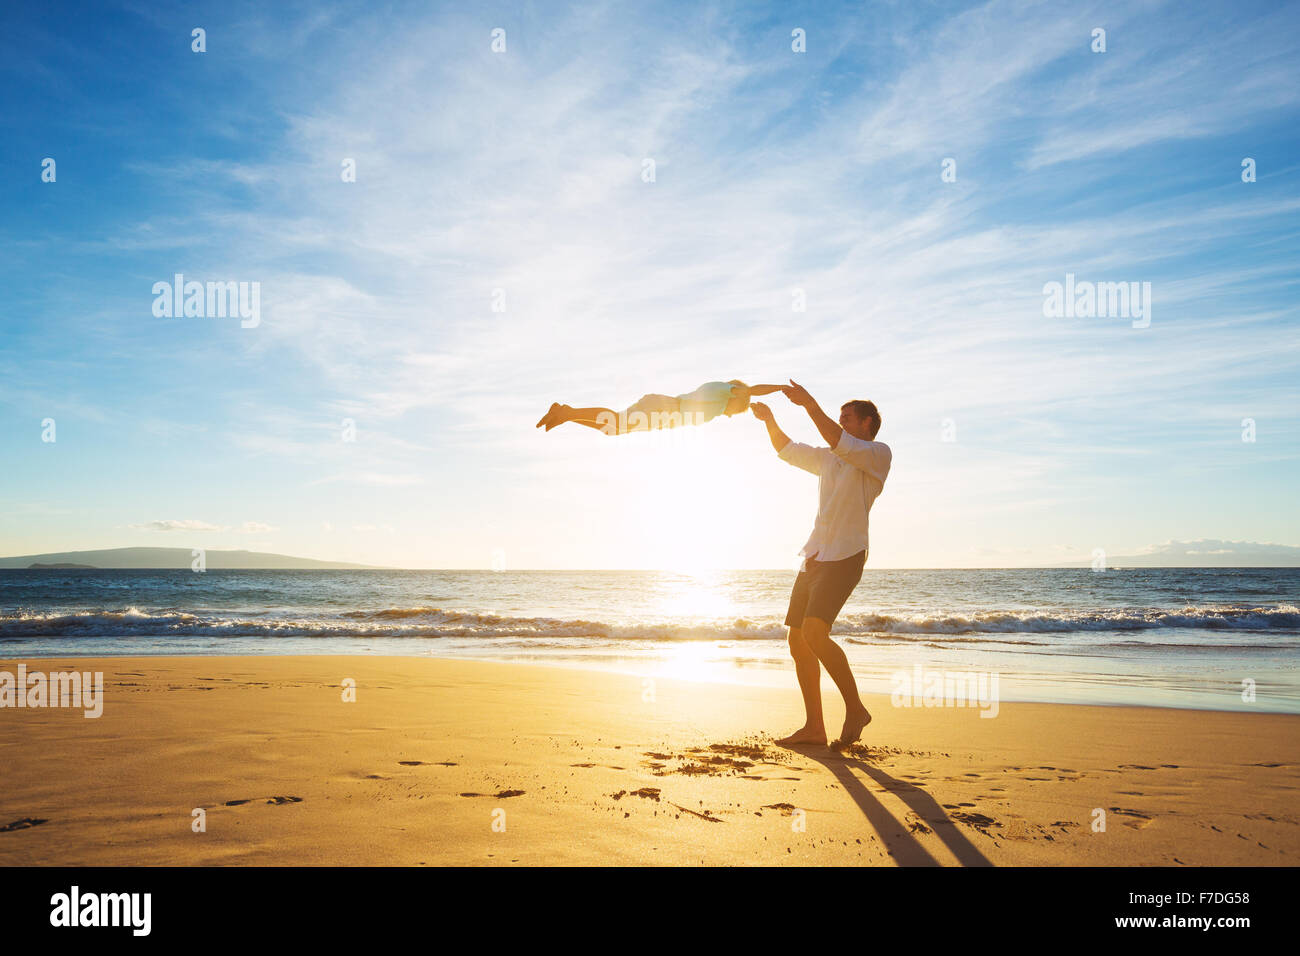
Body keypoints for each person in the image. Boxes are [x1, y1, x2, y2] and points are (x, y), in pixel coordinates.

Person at [751, 379, 891, 749]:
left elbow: (838, 440)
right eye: (839, 416)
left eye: (847, 417)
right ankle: (815, 726)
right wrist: (768, 420)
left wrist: (810, 403)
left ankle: (856, 709)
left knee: (815, 633)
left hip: (846, 555)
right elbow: (788, 449)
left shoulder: (878, 454)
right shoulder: (830, 458)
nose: (840, 422)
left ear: (867, 424)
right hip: (814, 555)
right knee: (797, 640)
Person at [536, 380, 785, 435]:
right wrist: (780, 388)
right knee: (616, 423)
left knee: (611, 429)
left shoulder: (719, 405)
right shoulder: (720, 391)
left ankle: (566, 414)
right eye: (736, 410)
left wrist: (753, 408)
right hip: (665, 408)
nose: (731, 416)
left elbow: (746, 399)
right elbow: (750, 390)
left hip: (662, 416)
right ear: (735, 397)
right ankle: (567, 412)